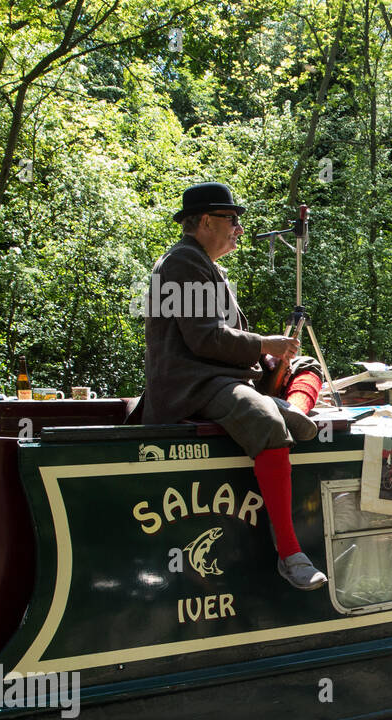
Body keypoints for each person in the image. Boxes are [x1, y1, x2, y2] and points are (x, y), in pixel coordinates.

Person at [143, 182, 328, 590]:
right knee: (262, 417)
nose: (239, 229)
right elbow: (204, 340)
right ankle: (290, 553)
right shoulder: (180, 263)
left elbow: (222, 340)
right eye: (233, 220)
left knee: (305, 364)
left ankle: (292, 408)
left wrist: (269, 360)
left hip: (224, 376)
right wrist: (265, 344)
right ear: (206, 221)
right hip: (192, 383)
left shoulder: (209, 267)